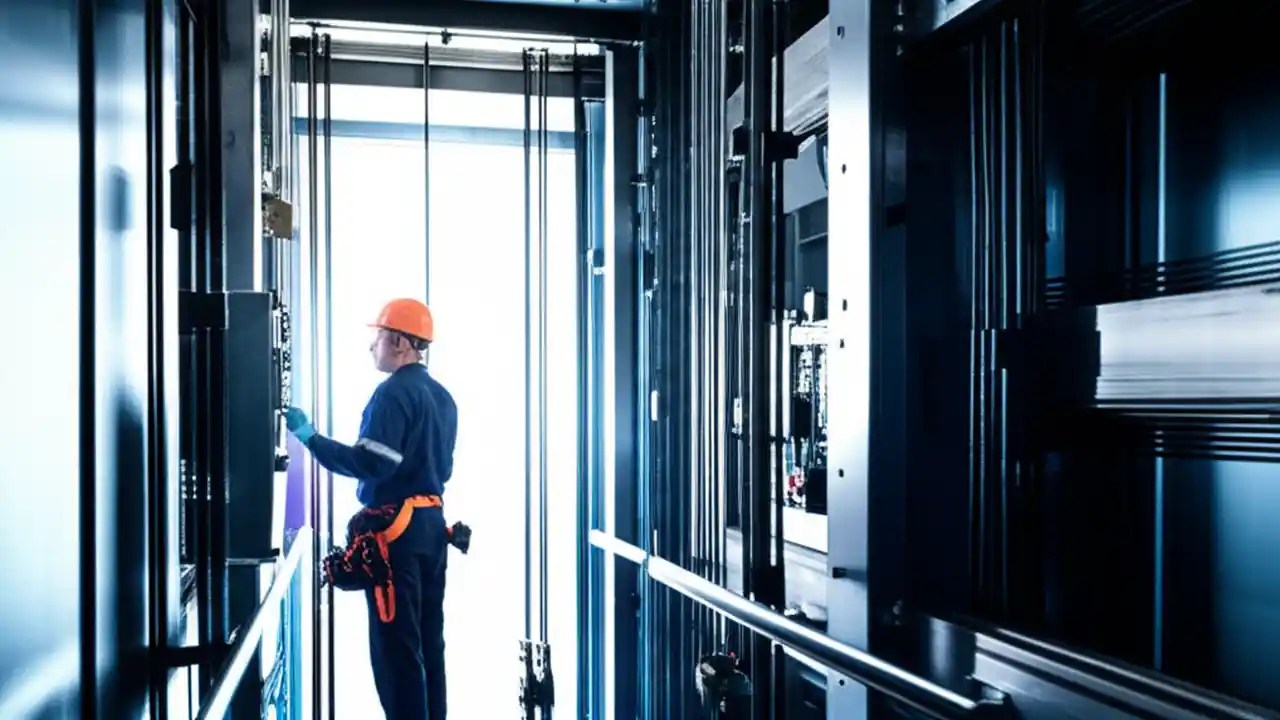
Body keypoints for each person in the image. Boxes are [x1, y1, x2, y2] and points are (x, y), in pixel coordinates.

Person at [285, 297, 457, 720]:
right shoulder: (443, 397)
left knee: (396, 650)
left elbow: (371, 463)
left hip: (397, 532)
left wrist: (310, 438)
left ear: (398, 342)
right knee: (429, 646)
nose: (372, 348)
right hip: (433, 528)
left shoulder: (394, 393)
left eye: (377, 338)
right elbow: (444, 468)